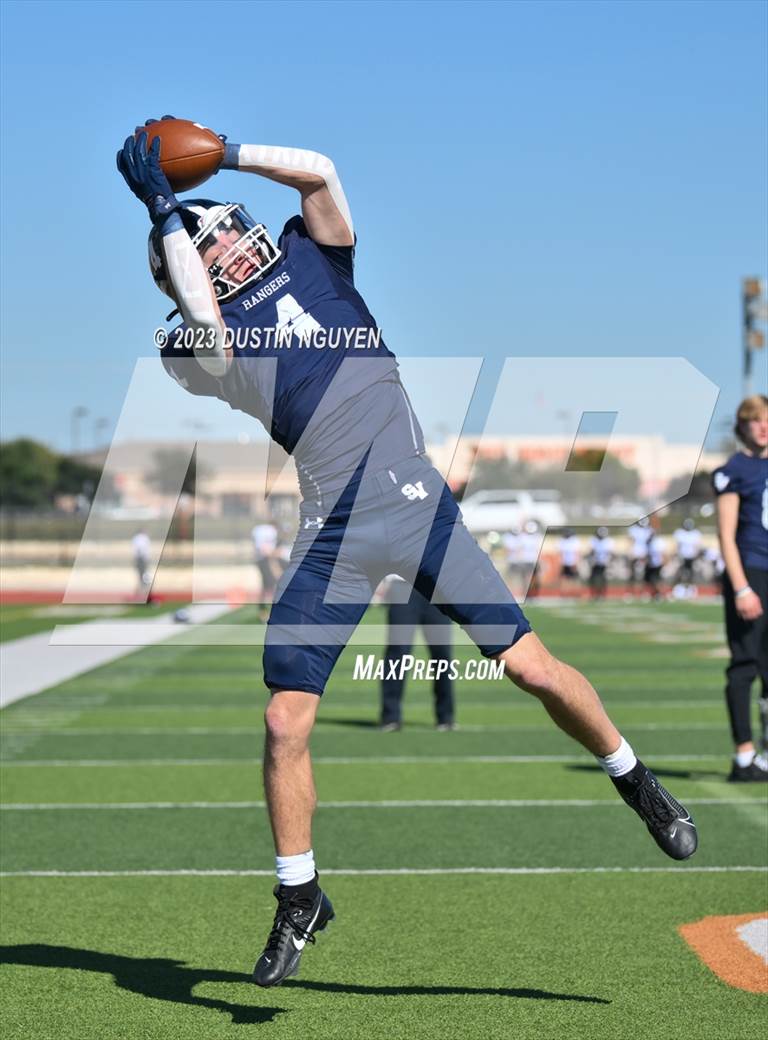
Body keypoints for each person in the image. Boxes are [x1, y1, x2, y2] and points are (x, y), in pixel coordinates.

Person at [117, 119, 698, 989]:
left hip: (423, 510)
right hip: (334, 536)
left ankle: (633, 776)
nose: (234, 241)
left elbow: (319, 174)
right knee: (283, 723)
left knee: (536, 670)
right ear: (177, 264)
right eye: (211, 241)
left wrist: (225, 153)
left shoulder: (314, 259)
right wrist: (166, 208)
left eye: (229, 225)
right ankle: (299, 894)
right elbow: (204, 310)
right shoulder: (187, 344)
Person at [712, 394, 768, 783]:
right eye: (756, 420)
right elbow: (726, 536)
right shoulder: (733, 470)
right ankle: (744, 756)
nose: (764, 426)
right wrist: (742, 588)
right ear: (743, 425)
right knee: (745, 665)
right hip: (751, 571)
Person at [380, 576, 455, 732]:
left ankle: (446, 717)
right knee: (398, 653)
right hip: (402, 585)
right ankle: (390, 716)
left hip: (437, 586)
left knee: (442, 655)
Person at [672, 517, 702, 596]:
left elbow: (697, 546)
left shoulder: (695, 533)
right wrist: (677, 555)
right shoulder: (680, 533)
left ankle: (690, 589)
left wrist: (696, 556)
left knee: (692, 573)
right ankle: (679, 588)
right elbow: (677, 546)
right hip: (682, 557)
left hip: (692, 557)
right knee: (680, 572)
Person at [587, 527, 613, 600]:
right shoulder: (593, 540)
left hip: (604, 563)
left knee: (603, 579)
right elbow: (591, 551)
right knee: (593, 579)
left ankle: (603, 594)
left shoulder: (608, 541)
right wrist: (592, 559)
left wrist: (608, 561)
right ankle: (594, 594)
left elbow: (610, 553)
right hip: (595, 562)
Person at [626, 517, 650, 594]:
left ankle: (642, 592)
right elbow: (631, 542)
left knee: (642, 575)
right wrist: (630, 552)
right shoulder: (633, 530)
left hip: (644, 554)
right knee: (632, 574)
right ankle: (630, 592)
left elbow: (649, 543)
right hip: (635, 554)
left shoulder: (648, 530)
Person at [644, 526, 666, 601]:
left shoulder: (658, 542)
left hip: (657, 564)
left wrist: (664, 563)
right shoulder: (648, 541)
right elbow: (647, 553)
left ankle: (660, 594)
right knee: (649, 580)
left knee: (656, 580)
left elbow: (663, 554)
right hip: (651, 564)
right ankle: (655, 594)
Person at [558, 528, 581, 595]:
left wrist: (576, 562)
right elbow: (560, 553)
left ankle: (576, 592)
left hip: (572, 563)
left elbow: (577, 553)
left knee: (574, 578)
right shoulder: (562, 541)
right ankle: (565, 592)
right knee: (565, 578)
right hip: (565, 563)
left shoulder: (574, 541)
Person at [131, 529, 151, 600]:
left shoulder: (137, 538)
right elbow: (143, 549)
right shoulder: (143, 538)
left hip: (140, 558)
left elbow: (136, 550)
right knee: (143, 573)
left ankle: (143, 588)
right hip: (142, 558)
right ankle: (143, 588)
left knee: (142, 574)